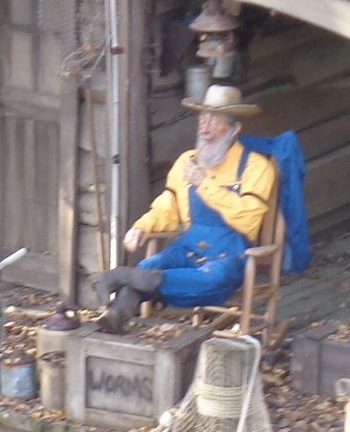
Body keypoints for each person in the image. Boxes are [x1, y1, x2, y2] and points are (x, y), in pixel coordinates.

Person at [86, 85, 278, 331]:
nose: (204, 127)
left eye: (214, 120)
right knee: (147, 267)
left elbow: (247, 219)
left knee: (213, 278)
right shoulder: (187, 162)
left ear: (234, 129)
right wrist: (143, 227)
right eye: (202, 118)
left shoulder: (256, 167)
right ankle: (116, 316)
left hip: (229, 257)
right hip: (187, 249)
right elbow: (168, 206)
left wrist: (204, 184)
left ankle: (124, 278)